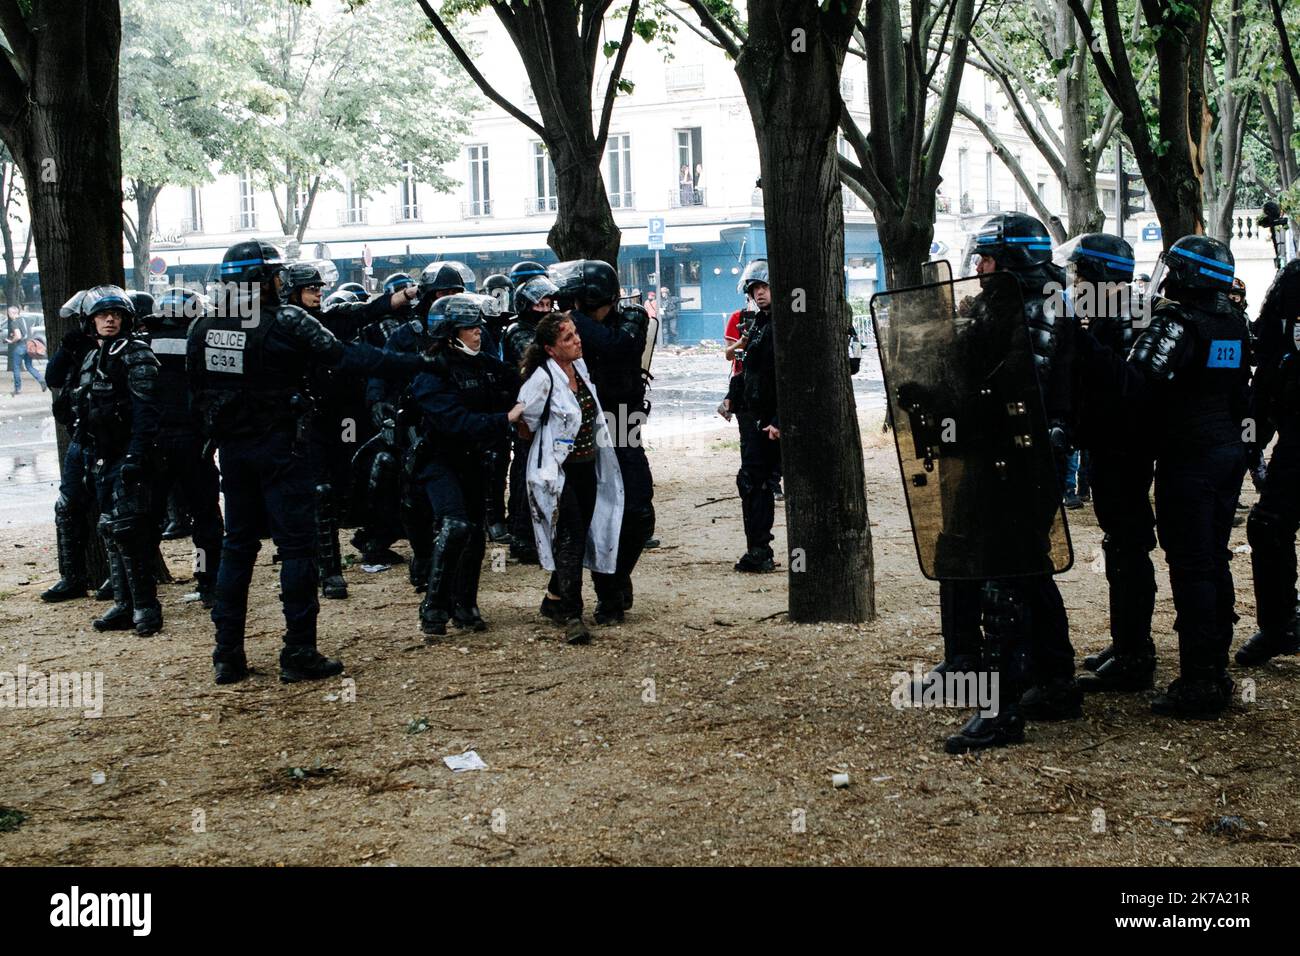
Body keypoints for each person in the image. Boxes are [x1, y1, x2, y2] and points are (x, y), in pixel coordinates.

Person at [188, 240, 432, 685]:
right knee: (298, 549)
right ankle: (298, 651)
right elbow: (348, 356)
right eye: (277, 274)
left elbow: (196, 388)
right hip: (284, 448)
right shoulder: (285, 320)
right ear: (265, 280)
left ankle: (227, 655)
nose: (282, 281)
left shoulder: (203, 326)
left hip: (234, 452)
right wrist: (419, 362)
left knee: (238, 546)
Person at [1077, 235, 1250, 716]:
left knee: (1193, 565)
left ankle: (1200, 683)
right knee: (1212, 561)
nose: (1166, 278)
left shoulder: (1177, 322)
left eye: (1173, 269)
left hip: (1189, 459)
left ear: (1187, 276)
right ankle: (1212, 672)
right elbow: (1240, 394)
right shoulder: (1233, 321)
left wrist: (1087, 345)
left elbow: (1134, 385)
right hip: (1225, 453)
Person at [939, 212, 1080, 753]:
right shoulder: (1006, 304)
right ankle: (1056, 682)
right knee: (1028, 567)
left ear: (1011, 259)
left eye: (987, 258)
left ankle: (1002, 710)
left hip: (1021, 459)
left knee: (1005, 576)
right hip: (998, 456)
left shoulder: (1042, 308)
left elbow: (1019, 394)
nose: (979, 268)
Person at [1056, 234, 1158, 694]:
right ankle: (1127, 644)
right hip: (1107, 446)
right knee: (1119, 546)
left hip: (1127, 449)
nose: (1074, 281)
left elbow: (1128, 385)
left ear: (1098, 274)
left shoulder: (1131, 314)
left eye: (1079, 273)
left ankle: (1136, 656)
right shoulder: (1101, 313)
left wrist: (1080, 342)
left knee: (1129, 547)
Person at [282, 261, 418, 599]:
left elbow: (368, 312)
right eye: (311, 288)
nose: (318, 293)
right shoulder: (276, 328)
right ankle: (326, 571)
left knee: (343, 484)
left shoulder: (329, 321)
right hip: (297, 424)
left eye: (319, 287)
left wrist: (407, 294)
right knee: (317, 493)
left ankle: (355, 547)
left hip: (338, 421)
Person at [408, 294, 523, 636]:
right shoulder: (431, 370)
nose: (478, 333)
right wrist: (504, 419)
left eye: (477, 326)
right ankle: (434, 606)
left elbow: (515, 381)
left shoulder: (484, 363)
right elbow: (455, 422)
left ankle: (465, 605)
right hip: (437, 460)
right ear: (448, 332)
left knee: (474, 531)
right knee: (455, 524)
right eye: (469, 328)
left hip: (472, 459)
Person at [551, 259, 654, 624]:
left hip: (622, 422)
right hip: (583, 427)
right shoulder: (568, 328)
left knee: (639, 512)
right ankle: (597, 593)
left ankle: (615, 576)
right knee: (591, 514)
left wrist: (571, 320)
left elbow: (618, 348)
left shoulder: (632, 318)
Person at [517, 313, 624, 644]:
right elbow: (524, 425)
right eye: (567, 338)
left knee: (584, 533)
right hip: (557, 473)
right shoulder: (540, 380)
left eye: (576, 334)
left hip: (587, 468)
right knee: (571, 537)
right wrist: (544, 454)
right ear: (551, 349)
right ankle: (572, 615)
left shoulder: (579, 368)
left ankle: (553, 599)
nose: (577, 340)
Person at [372, 260, 476, 591]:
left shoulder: (472, 331)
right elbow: (381, 369)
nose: (449, 299)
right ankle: (422, 555)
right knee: (413, 497)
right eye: (443, 293)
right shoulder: (408, 334)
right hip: (415, 422)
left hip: (457, 422)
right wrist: (378, 404)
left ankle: (455, 572)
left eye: (455, 293)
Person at [75, 286, 163, 636]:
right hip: (103, 455)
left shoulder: (136, 353)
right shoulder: (92, 356)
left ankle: (146, 607)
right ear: (91, 320)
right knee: (111, 528)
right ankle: (125, 604)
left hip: (132, 454)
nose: (109, 319)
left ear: (126, 319)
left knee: (131, 530)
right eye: (101, 314)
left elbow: (146, 412)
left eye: (115, 315)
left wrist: (136, 456)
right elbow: (83, 409)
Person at [143, 289, 224, 607]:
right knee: (205, 519)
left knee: (148, 521)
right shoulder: (203, 342)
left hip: (155, 443)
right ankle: (208, 582)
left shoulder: (144, 342)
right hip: (194, 443)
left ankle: (143, 589)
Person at [1236, 260, 1300, 666]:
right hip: (1295, 446)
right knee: (1267, 527)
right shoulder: (1289, 293)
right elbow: (1261, 394)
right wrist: (1247, 444)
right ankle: (1280, 626)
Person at [41, 291, 97, 602]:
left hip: (112, 441)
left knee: (119, 517)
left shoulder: (128, 349)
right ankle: (73, 577)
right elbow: (53, 376)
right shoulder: (78, 344)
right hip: (81, 435)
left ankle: (123, 586)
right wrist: (67, 349)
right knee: (67, 507)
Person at [502, 268, 560, 563]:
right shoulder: (517, 331)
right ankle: (522, 537)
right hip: (526, 411)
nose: (546, 308)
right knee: (526, 471)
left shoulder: (545, 329)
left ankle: (538, 534)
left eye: (549, 303)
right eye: (540, 304)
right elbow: (537, 359)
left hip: (546, 410)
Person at [728, 261, 782, 573]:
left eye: (763, 287)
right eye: (754, 289)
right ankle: (758, 550)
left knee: (760, 480)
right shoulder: (759, 322)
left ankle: (761, 550)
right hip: (755, 417)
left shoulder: (783, 324)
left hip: (774, 421)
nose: (758, 293)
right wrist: (731, 396)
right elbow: (748, 366)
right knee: (752, 481)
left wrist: (779, 418)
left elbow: (792, 375)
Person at [6, 304, 47, 395]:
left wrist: (11, 341)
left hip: (20, 346)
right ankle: (41, 380)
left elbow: (18, 336)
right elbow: (30, 332)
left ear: (11, 313)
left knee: (16, 367)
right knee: (29, 366)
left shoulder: (14, 322)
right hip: (29, 346)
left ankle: (18, 388)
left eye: (8, 313)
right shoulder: (27, 320)